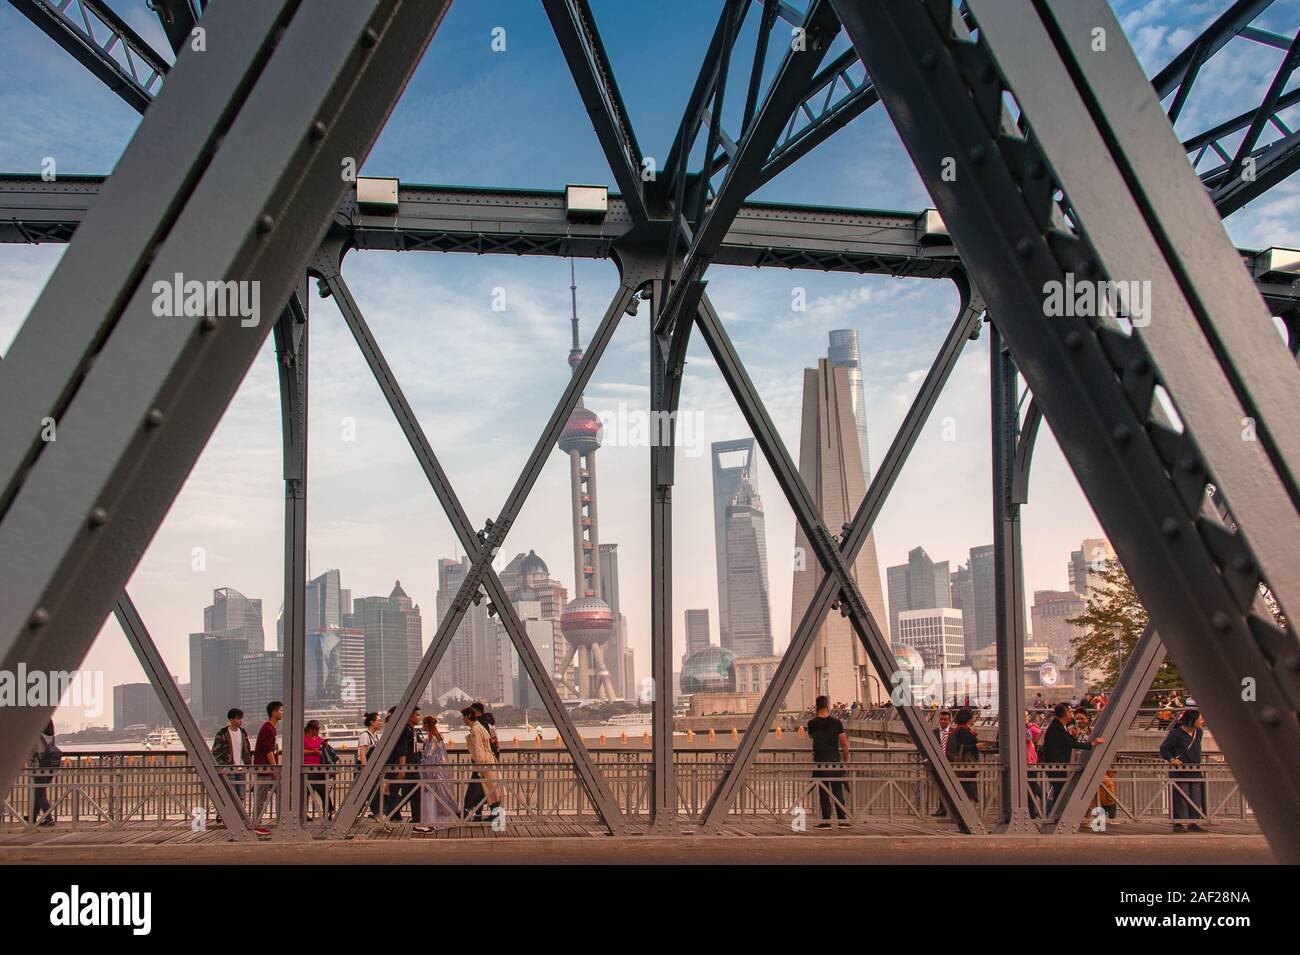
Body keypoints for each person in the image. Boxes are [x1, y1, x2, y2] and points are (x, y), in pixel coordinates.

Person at [1037, 702, 1104, 815]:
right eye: (1069, 711)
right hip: (1057, 766)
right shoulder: (1056, 727)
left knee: (1059, 790)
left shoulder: (1058, 726)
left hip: (1058, 766)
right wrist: (1092, 743)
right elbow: (1070, 744)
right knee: (1059, 790)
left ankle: (1055, 814)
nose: (1071, 713)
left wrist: (1073, 736)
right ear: (1064, 713)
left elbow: (1065, 742)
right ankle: (1054, 815)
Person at [806, 695, 850, 829]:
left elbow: (812, 736)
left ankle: (826, 822)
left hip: (820, 762)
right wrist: (846, 760)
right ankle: (842, 821)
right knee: (837, 791)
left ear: (817, 707)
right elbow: (844, 743)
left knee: (823, 792)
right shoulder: (837, 723)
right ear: (828, 706)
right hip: (835, 761)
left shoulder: (812, 723)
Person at [1159, 710, 1207, 832]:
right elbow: (1164, 749)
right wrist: (1171, 759)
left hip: (1195, 769)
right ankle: (1178, 823)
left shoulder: (1199, 732)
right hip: (1180, 770)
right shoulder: (1176, 734)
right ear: (1192, 721)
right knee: (1180, 796)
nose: (1202, 721)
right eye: (1199, 719)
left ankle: (1193, 822)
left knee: (1196, 796)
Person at [414, 716, 456, 831]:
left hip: (434, 772)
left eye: (423, 724)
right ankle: (443, 820)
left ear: (426, 725)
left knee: (433, 796)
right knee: (442, 796)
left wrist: (422, 757)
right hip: (440, 770)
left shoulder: (431, 738)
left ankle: (433, 820)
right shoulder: (437, 736)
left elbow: (429, 756)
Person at [462, 706, 501, 822]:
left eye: (463, 717)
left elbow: (478, 748)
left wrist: (479, 764)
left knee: (485, 788)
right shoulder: (481, 726)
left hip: (483, 762)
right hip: (489, 760)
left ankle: (469, 812)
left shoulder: (476, 729)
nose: (463, 720)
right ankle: (493, 814)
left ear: (468, 717)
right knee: (490, 789)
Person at [384, 708, 421, 825]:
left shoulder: (410, 730)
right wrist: (402, 768)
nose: (419, 717)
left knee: (413, 794)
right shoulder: (405, 730)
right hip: (408, 768)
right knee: (408, 794)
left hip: (412, 766)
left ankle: (416, 821)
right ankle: (387, 815)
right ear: (409, 717)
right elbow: (402, 750)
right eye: (417, 715)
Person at [944, 708, 988, 804]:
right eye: (973, 717)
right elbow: (963, 745)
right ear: (968, 718)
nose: (974, 719)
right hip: (966, 765)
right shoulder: (962, 731)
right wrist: (975, 745)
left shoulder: (961, 729)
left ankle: (967, 810)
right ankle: (968, 812)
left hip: (965, 766)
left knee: (967, 789)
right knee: (968, 790)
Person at [251, 701, 282, 834]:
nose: (282, 712)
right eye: (280, 710)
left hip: (267, 769)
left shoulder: (271, 728)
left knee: (281, 793)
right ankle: (256, 824)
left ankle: (280, 820)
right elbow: (268, 750)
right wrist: (275, 769)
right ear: (274, 712)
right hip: (265, 769)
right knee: (261, 796)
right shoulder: (268, 728)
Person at [211, 707, 251, 810]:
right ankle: (229, 814)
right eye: (238, 718)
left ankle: (241, 816)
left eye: (241, 718)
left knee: (241, 794)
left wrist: (248, 763)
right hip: (228, 768)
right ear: (231, 719)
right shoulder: (222, 733)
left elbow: (247, 749)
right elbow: (215, 751)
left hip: (241, 768)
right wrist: (222, 765)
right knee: (230, 793)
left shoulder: (243, 733)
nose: (241, 721)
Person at [302, 720, 335, 822]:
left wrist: (325, 747)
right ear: (311, 729)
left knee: (323, 791)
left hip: (318, 770)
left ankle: (331, 812)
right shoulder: (303, 739)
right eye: (317, 729)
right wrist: (313, 752)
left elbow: (325, 751)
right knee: (305, 792)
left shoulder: (319, 739)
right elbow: (300, 751)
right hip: (306, 770)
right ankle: (304, 812)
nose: (318, 731)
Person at [29, 720, 59, 827]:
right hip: (50, 766)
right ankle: (32, 818)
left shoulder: (37, 737)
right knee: (39, 792)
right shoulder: (51, 737)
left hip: (39, 767)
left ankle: (49, 819)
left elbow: (32, 750)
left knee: (40, 793)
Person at [357, 711, 383, 819]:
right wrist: (366, 770)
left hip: (371, 769)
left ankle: (376, 813)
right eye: (379, 720)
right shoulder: (365, 735)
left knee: (369, 792)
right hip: (365, 768)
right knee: (364, 792)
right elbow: (362, 754)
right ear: (372, 722)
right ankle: (376, 814)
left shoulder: (375, 736)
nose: (380, 723)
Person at [930, 710, 953, 817]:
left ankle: (950, 809)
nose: (943, 722)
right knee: (941, 786)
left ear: (950, 720)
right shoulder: (934, 733)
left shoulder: (954, 732)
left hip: (951, 764)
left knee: (951, 787)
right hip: (939, 764)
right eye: (941, 719)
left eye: (945, 720)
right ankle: (942, 809)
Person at [1025, 710, 1043, 818]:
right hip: (1028, 764)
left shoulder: (1026, 728)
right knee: (1032, 789)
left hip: (1030, 763)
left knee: (1031, 791)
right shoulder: (1023, 729)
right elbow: (1034, 733)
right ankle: (1047, 801)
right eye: (1026, 716)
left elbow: (1037, 732)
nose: (1028, 718)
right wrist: (1028, 724)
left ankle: (1032, 813)